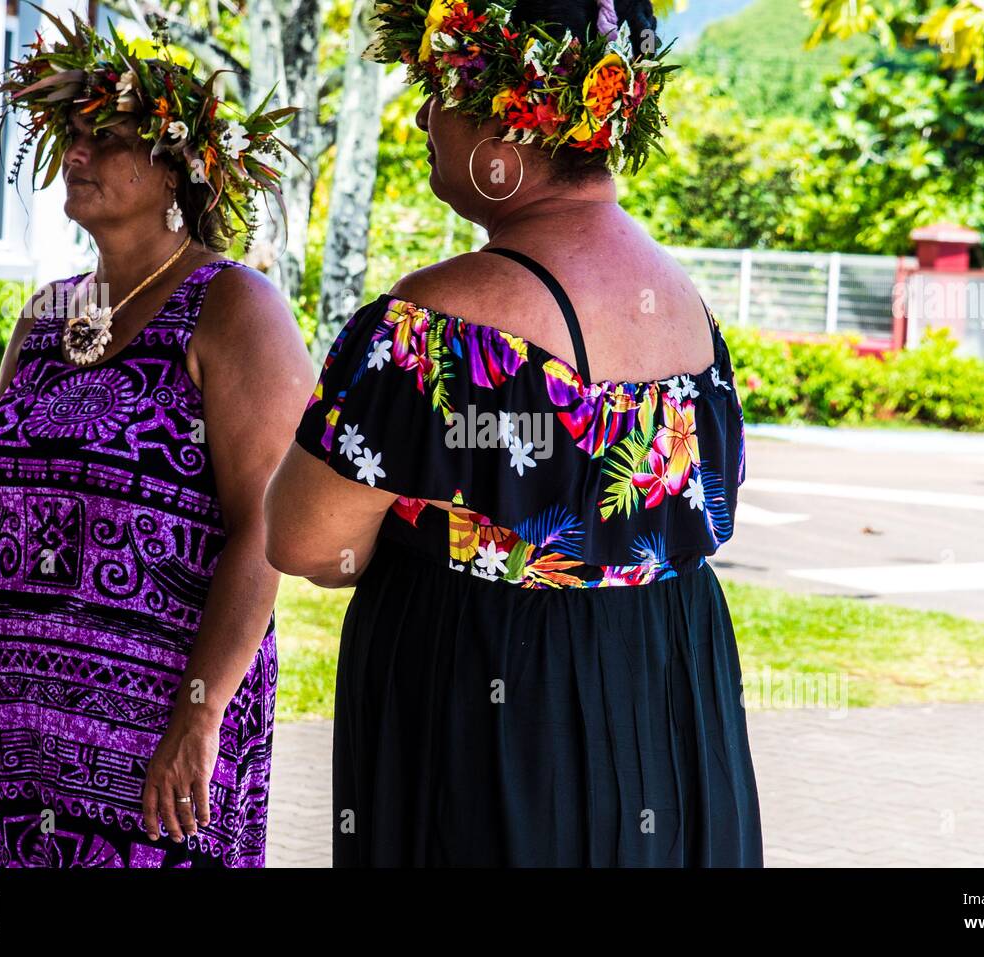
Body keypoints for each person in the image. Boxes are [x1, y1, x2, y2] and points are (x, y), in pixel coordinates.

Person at [264, 0, 762, 865]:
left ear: (512, 117)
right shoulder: (688, 309)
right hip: (671, 691)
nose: (422, 117)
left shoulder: (432, 324)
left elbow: (307, 543)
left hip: (492, 711)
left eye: (439, 89)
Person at [0, 14, 312, 866]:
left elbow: (265, 531)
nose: (76, 154)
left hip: (162, 736)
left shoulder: (236, 309)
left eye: (106, 137)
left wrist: (199, 716)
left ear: (178, 170)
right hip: (27, 728)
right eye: (71, 136)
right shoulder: (49, 313)